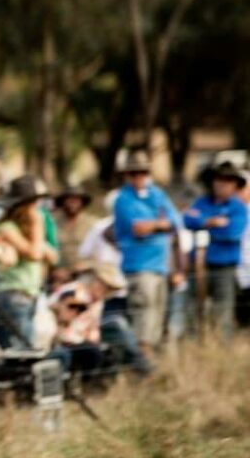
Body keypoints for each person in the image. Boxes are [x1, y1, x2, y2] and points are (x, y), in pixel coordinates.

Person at [111, 151, 180, 358]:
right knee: (144, 319)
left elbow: (175, 221)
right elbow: (139, 228)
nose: (139, 177)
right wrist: (161, 224)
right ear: (127, 175)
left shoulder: (157, 194)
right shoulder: (123, 199)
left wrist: (156, 225)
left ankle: (151, 365)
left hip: (160, 266)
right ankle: (141, 365)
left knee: (158, 319)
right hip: (139, 267)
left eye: (143, 172)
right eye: (134, 173)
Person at [0, 176, 57, 351]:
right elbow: (35, 254)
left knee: (27, 345)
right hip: (13, 294)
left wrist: (38, 239)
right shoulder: (7, 228)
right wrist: (37, 224)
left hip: (31, 294)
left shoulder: (32, 232)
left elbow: (53, 257)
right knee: (24, 349)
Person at [185, 162, 246, 338]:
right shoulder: (202, 202)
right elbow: (188, 218)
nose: (222, 183)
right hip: (198, 265)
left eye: (228, 180)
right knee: (194, 309)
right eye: (219, 179)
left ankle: (220, 345)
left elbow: (233, 232)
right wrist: (211, 222)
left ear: (235, 185)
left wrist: (204, 227)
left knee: (222, 311)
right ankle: (194, 344)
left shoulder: (238, 207)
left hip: (224, 267)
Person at [51, 188, 94, 279]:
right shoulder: (52, 223)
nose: (73, 203)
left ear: (82, 202)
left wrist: (88, 265)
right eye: (69, 200)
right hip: (59, 274)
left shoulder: (93, 224)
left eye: (77, 200)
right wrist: (54, 269)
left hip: (87, 273)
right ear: (63, 202)